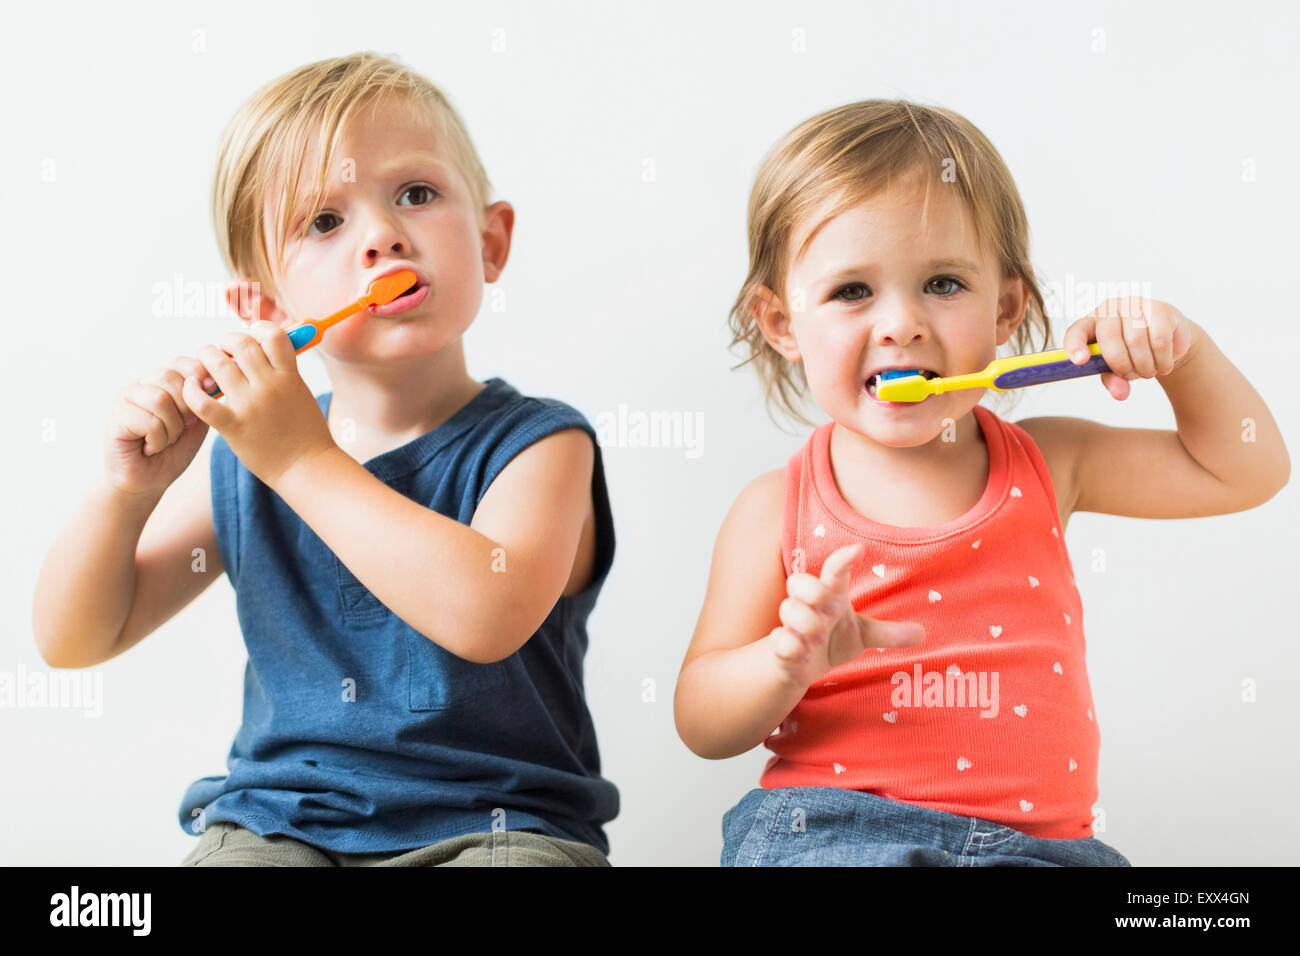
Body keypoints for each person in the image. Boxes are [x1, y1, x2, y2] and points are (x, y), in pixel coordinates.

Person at [32, 52, 618, 867]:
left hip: (501, 823)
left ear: (491, 242)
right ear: (267, 308)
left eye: (415, 194)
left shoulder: (543, 445)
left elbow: (484, 617)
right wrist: (125, 493)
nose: (383, 235)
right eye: (324, 222)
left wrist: (301, 461)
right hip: (280, 824)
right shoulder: (251, 461)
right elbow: (75, 639)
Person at [674, 99, 1289, 866]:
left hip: (1044, 852)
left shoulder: (1051, 464)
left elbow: (1246, 468)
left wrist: (1184, 355)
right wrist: (783, 663)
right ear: (781, 323)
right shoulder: (775, 509)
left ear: (1006, 308)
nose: (901, 323)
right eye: (852, 291)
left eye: (941, 282)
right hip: (837, 834)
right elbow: (701, 721)